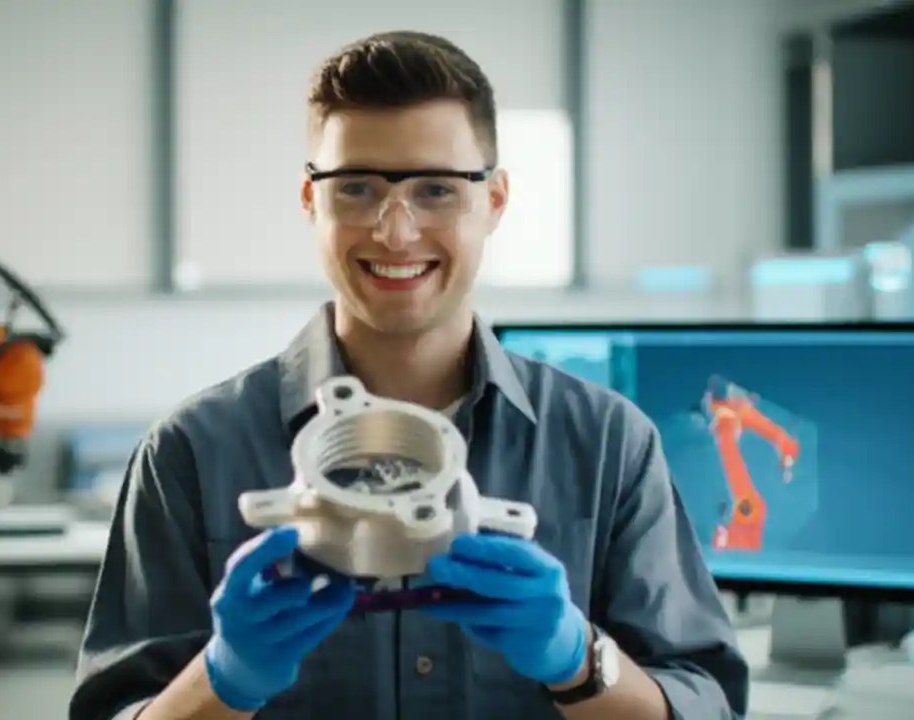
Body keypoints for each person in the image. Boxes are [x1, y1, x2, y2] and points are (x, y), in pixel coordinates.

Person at [70, 30, 748, 720]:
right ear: (311, 200)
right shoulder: (190, 452)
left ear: (496, 201)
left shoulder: (607, 443)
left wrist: (580, 660)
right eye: (356, 188)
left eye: (436, 190)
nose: (396, 233)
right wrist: (224, 680)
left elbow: (708, 704)